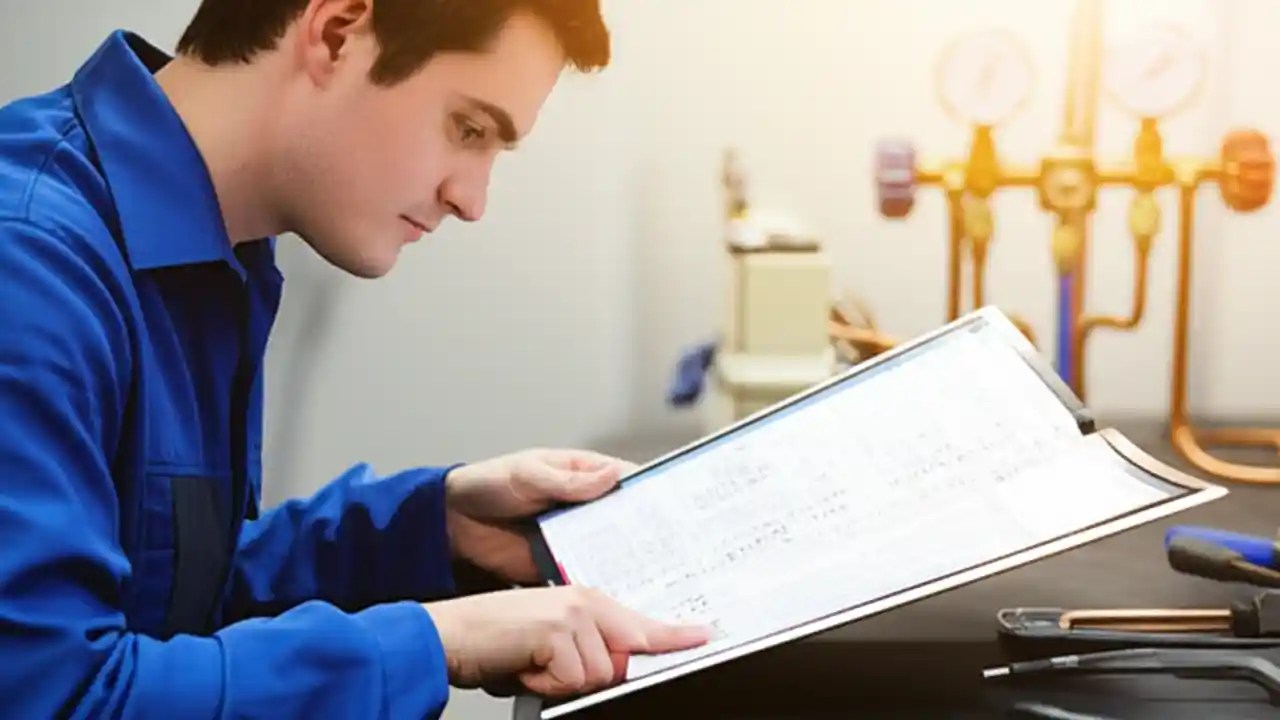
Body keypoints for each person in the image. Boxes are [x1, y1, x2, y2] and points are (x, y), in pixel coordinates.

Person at [0, 1, 711, 717]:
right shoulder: (27, 267)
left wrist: (435, 527)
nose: (471, 199)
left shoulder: (207, 251)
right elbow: (57, 695)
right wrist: (440, 642)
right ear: (338, 31)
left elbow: (166, 590)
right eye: (467, 129)